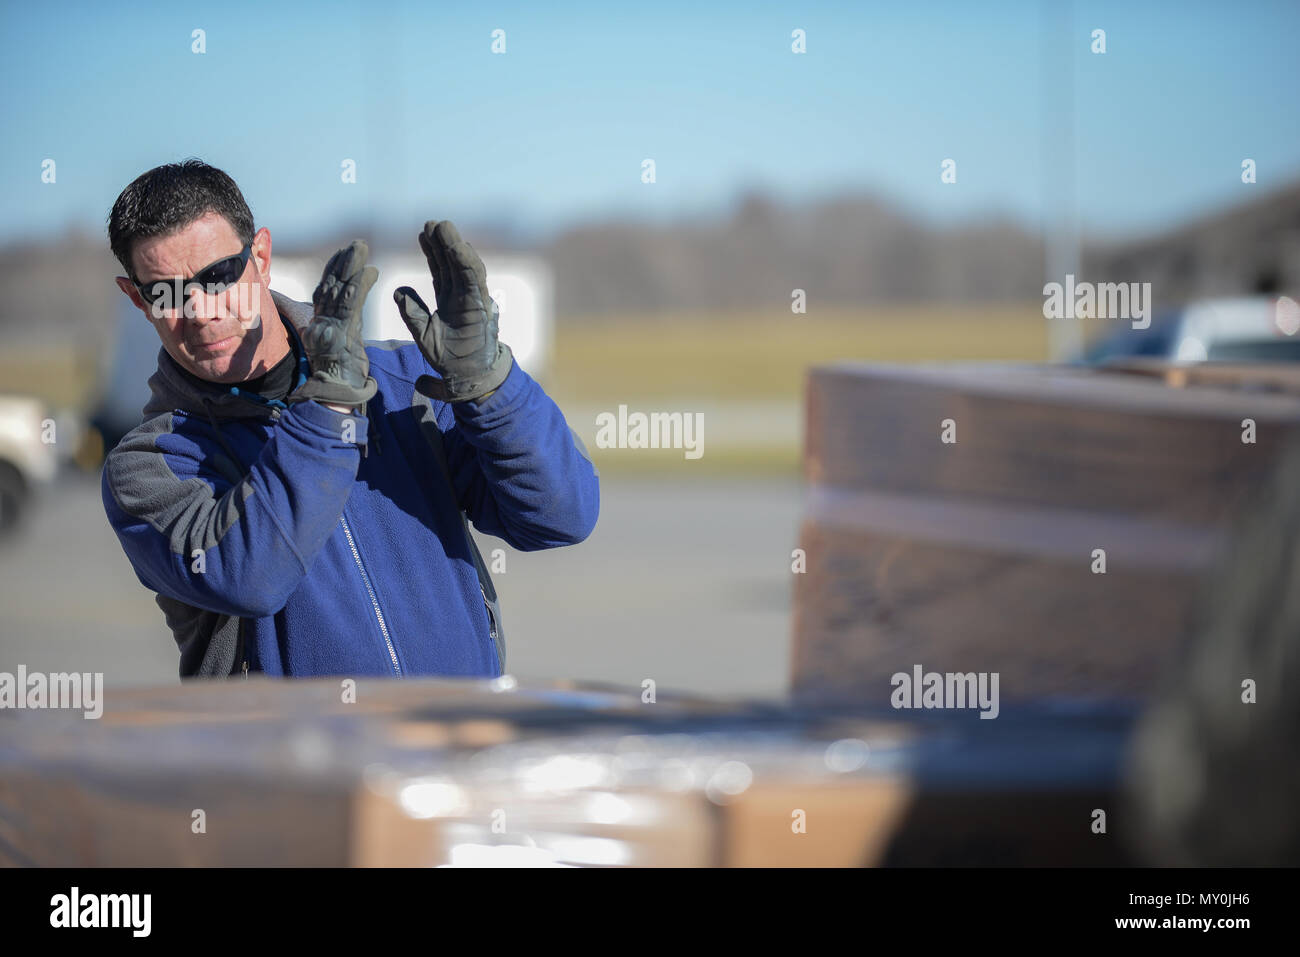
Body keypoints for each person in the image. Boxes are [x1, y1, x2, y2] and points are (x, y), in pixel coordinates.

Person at [101, 159, 599, 678]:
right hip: (299, 759)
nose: (201, 311)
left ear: (262, 256)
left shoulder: (402, 382)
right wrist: (330, 410)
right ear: (138, 298)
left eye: (219, 275)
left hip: (460, 743)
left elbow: (561, 517)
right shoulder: (150, 466)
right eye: (167, 293)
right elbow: (251, 576)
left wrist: (491, 386)